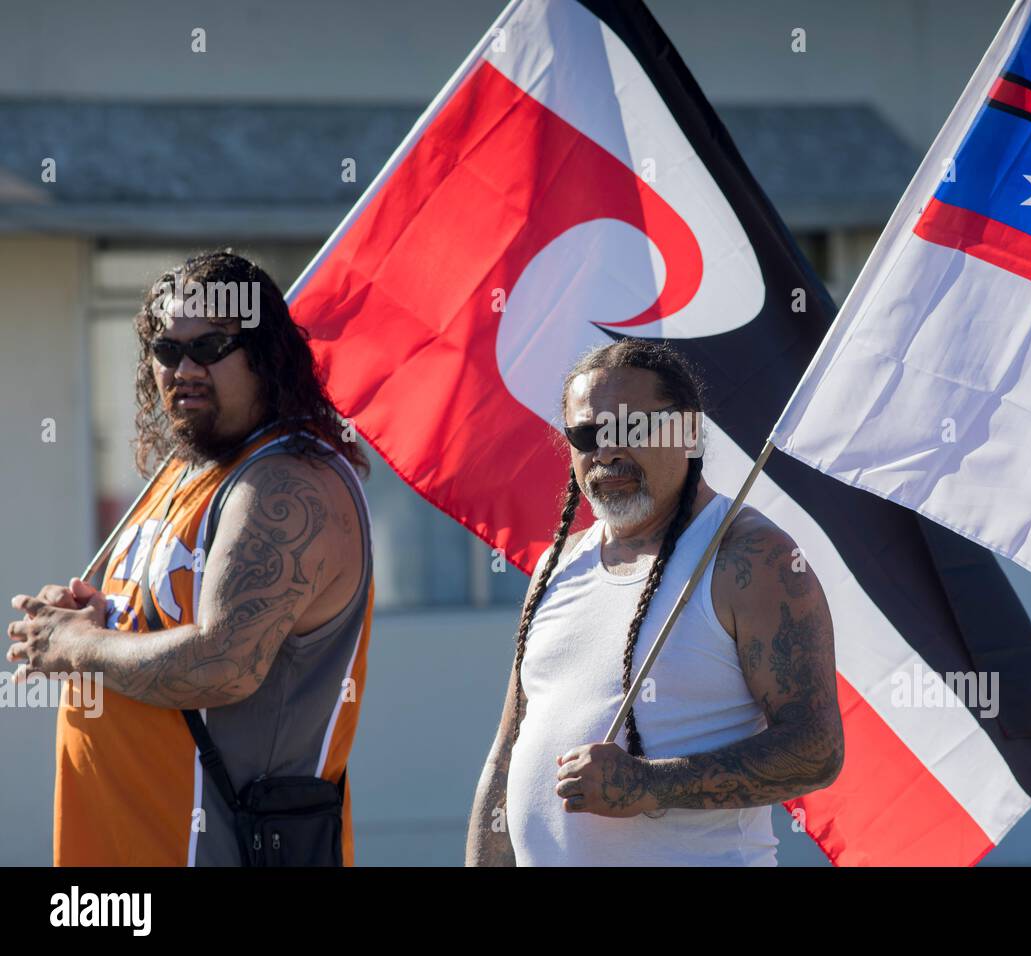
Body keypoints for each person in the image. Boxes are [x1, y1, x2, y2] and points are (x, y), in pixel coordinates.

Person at [7, 251, 374, 866]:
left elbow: (223, 664)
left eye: (209, 346)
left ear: (265, 354)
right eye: (166, 349)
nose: (184, 368)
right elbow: (162, 631)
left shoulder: (286, 483)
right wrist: (99, 619)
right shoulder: (187, 468)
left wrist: (76, 647)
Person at [466, 340, 843, 866]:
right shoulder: (558, 564)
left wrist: (650, 784)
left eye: (630, 428)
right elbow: (508, 752)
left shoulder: (752, 558)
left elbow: (815, 750)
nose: (608, 450)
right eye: (586, 434)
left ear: (688, 432)